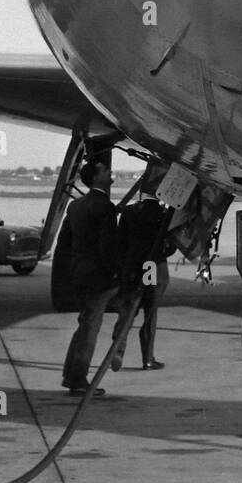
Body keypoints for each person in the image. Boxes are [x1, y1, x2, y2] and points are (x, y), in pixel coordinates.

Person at [60, 151, 120, 394]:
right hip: (99, 278)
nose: (110, 172)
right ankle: (78, 379)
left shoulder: (75, 206)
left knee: (85, 324)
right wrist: (116, 273)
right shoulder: (105, 207)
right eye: (106, 170)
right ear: (96, 178)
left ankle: (71, 374)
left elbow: (64, 243)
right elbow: (108, 247)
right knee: (91, 327)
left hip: (80, 274)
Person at [109, 181, 177, 371]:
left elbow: (119, 243)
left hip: (133, 268)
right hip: (154, 269)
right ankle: (147, 359)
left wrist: (124, 268)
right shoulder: (164, 215)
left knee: (128, 311)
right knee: (150, 314)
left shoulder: (129, 212)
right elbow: (170, 246)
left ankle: (117, 350)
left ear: (142, 192)